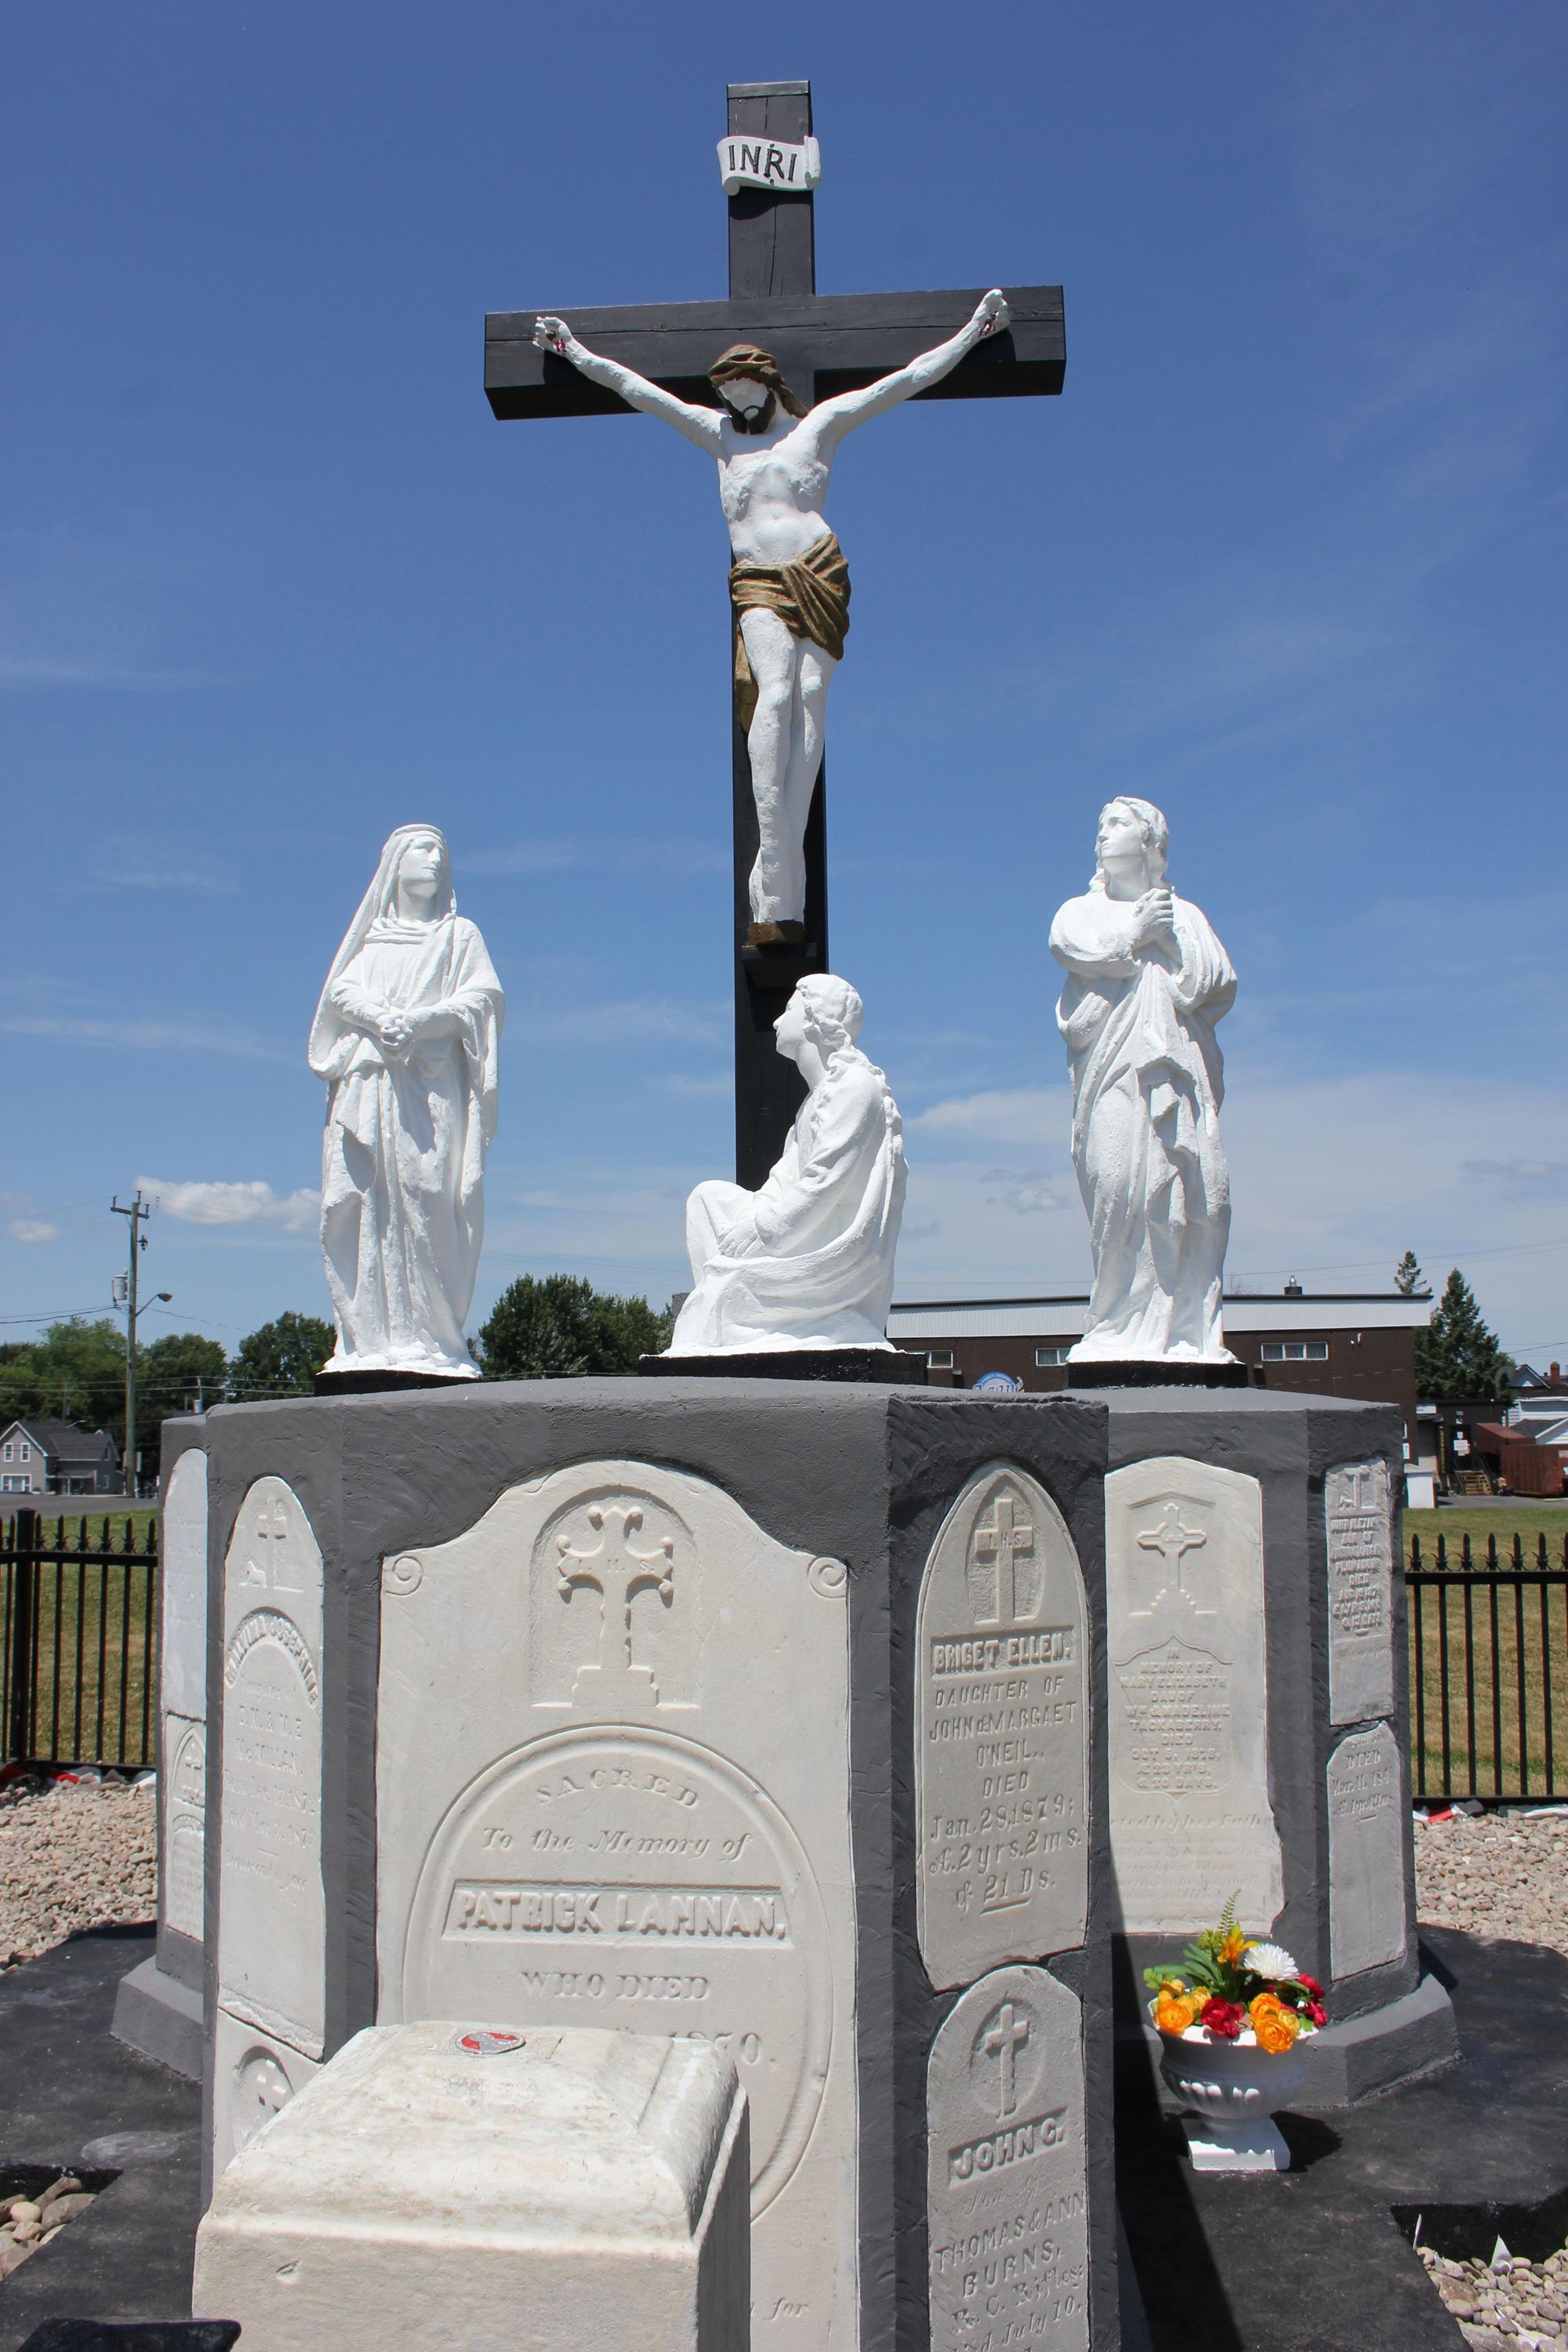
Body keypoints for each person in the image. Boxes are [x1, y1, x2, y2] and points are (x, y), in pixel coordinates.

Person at [532, 292, 1012, 940]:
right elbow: (638, 391)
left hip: (818, 572)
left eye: (745, 392)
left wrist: (974, 333)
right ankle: (775, 847)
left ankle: (784, 864)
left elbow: (906, 379)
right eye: (728, 397)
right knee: (776, 694)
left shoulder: (819, 427)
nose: (737, 406)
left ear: (768, 382)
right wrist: (573, 350)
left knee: (809, 703)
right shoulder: (718, 435)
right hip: (757, 581)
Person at [308, 826, 503, 1377]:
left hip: (433, 1091)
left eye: (442, 851)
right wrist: (379, 1019)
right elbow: (340, 992)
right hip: (370, 1084)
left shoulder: (460, 936)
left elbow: (483, 998)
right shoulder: (371, 943)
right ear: (395, 863)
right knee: (366, 1201)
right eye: (424, 848)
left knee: (431, 1195)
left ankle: (432, 1339)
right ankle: (368, 1338)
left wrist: (419, 1022)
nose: (436, 858)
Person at [1049, 798, 1236, 1363]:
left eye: (1118, 824)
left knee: (1185, 1190)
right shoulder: (1081, 911)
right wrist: (1136, 932)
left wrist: (1168, 936)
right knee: (1117, 1183)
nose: (1103, 834)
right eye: (1100, 825)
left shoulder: (1186, 915)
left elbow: (1216, 982)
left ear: (1150, 841)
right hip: (1112, 1069)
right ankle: (1115, 1320)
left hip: (1175, 1071)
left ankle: (1180, 1329)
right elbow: (1070, 948)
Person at [668, 974, 906, 1353]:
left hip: (829, 1243)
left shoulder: (855, 1087)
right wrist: (751, 1221)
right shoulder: (813, 1102)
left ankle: (751, 1314)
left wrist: (761, 1230)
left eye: (789, 1010)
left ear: (814, 1019)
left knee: (727, 1288)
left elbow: (824, 1181)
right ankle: (742, 1313)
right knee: (707, 1198)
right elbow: (783, 1182)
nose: (778, 1021)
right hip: (796, 1224)